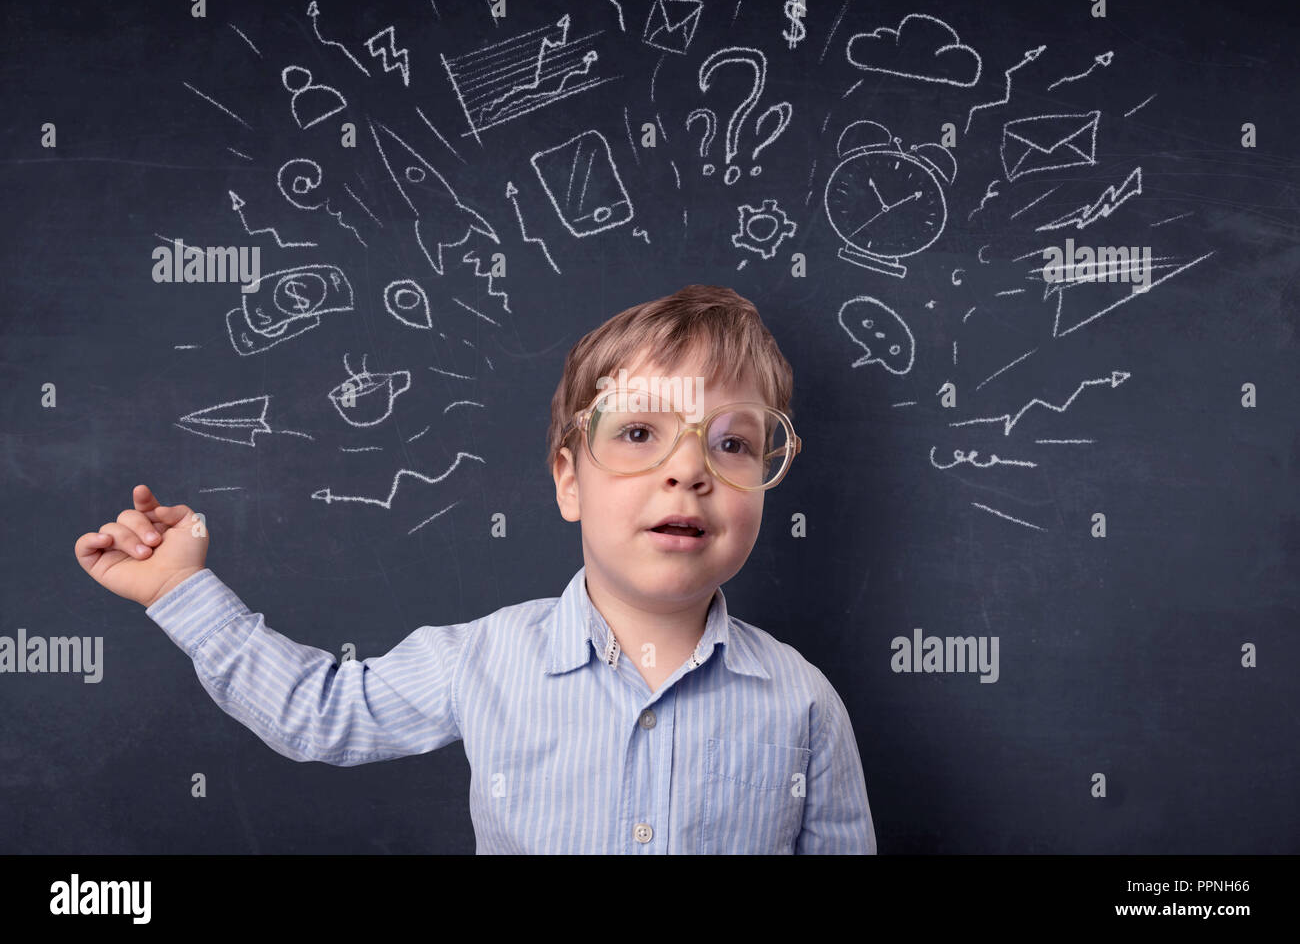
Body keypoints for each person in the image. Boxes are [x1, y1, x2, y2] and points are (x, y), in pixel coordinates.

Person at [73, 284, 877, 854]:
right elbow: (322, 712)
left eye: (731, 442)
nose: (688, 470)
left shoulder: (803, 702)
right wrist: (178, 588)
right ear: (569, 479)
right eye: (638, 434)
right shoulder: (485, 658)